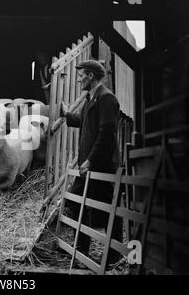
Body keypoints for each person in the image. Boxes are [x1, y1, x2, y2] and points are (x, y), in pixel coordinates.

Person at [60, 59, 123, 266]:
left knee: (107, 208)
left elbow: (106, 134)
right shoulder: (92, 98)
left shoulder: (107, 99)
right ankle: (83, 248)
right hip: (89, 165)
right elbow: (85, 121)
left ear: (91, 76)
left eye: (81, 75)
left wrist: (90, 160)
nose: (79, 80)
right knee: (77, 202)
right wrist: (67, 115)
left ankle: (113, 254)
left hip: (101, 165)